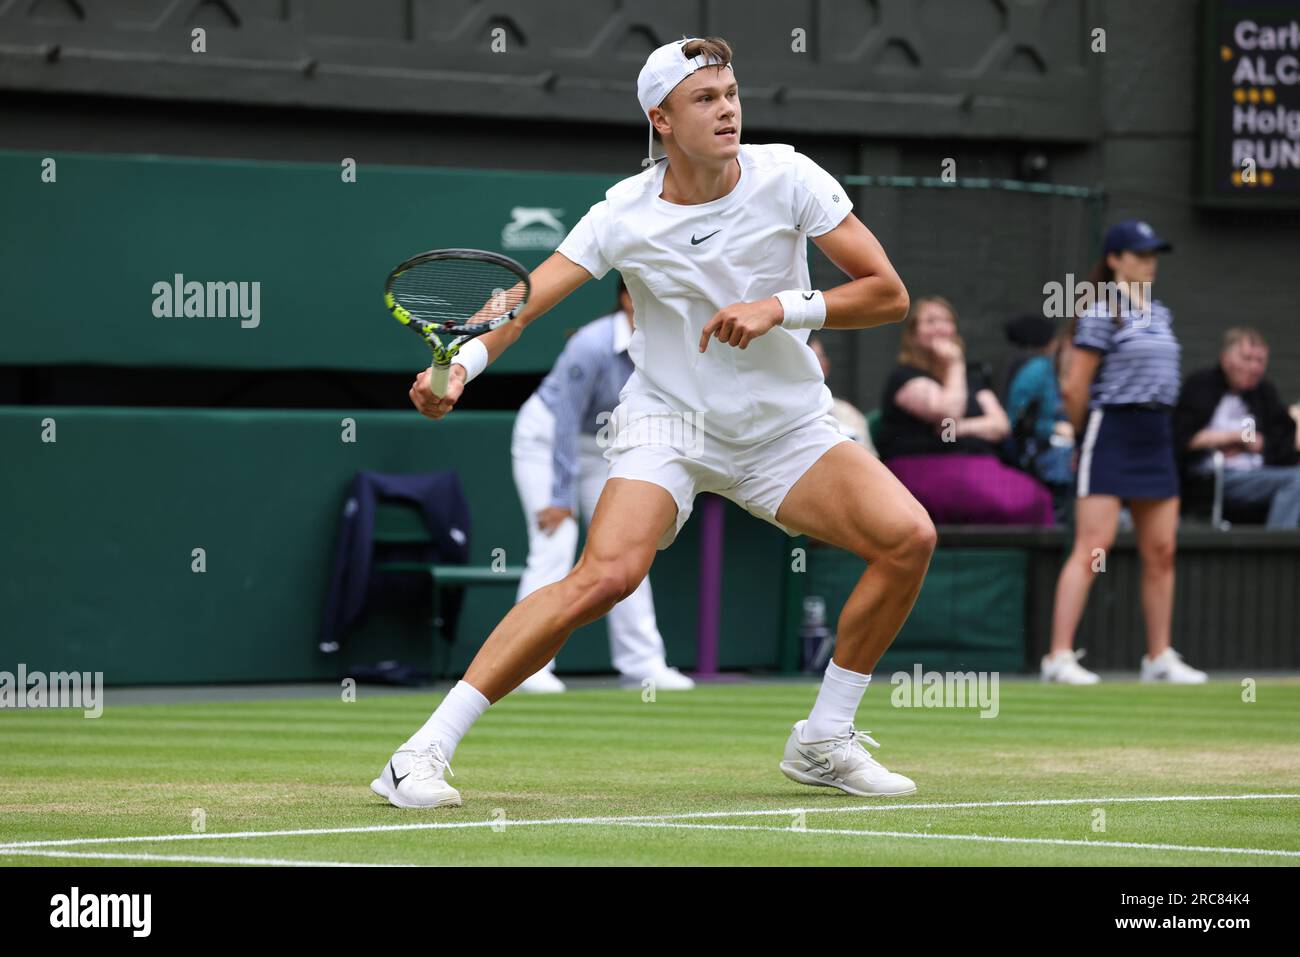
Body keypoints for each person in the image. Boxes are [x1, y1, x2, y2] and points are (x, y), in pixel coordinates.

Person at [373, 36, 931, 810]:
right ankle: (419, 753)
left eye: (732, 92)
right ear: (660, 118)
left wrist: (781, 308)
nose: (727, 108)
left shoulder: (791, 178)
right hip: (668, 423)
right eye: (705, 99)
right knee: (605, 576)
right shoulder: (622, 214)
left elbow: (888, 293)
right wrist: (461, 366)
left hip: (786, 429)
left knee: (908, 538)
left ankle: (823, 741)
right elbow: (522, 302)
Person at [512, 276, 694, 692]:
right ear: (626, 299)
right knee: (555, 543)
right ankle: (528, 666)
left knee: (626, 547)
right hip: (547, 440)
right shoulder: (590, 346)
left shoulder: (667, 345)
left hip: (607, 446)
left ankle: (643, 665)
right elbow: (564, 422)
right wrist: (560, 497)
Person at [1046, 220, 1206, 685]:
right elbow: (1074, 386)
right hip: (1110, 429)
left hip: (1157, 434)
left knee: (1162, 550)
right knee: (1092, 547)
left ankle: (1158, 656)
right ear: (1115, 259)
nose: (1148, 263)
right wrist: (1084, 435)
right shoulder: (1099, 312)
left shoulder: (1163, 314)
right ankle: (1057, 656)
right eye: (1139, 254)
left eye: (1153, 255)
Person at [875, 296, 1055, 525]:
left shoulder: (971, 381)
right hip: (925, 465)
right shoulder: (905, 376)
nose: (939, 327)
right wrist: (955, 364)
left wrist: (957, 428)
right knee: (995, 500)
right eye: (930, 321)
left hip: (980, 465)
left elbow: (1000, 425)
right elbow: (948, 413)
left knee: (1036, 498)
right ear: (913, 333)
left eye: (946, 321)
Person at [1174, 328, 1300, 527]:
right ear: (1226, 359)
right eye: (1247, 359)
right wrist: (1232, 438)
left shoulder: (1263, 394)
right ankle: (1275, 551)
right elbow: (1180, 437)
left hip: (1256, 473)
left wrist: (1259, 444)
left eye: (1260, 361)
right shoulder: (1201, 386)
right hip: (1212, 478)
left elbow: (1281, 438)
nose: (1254, 367)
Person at [1004, 314, 1076, 526]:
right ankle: (1057, 520)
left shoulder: (1078, 373)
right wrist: (1052, 427)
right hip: (1032, 449)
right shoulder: (1038, 369)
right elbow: (1015, 420)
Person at [808, 335, 876, 454]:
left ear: (826, 366)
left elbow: (870, 459)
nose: (815, 365)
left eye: (818, 358)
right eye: (808, 359)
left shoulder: (848, 414)